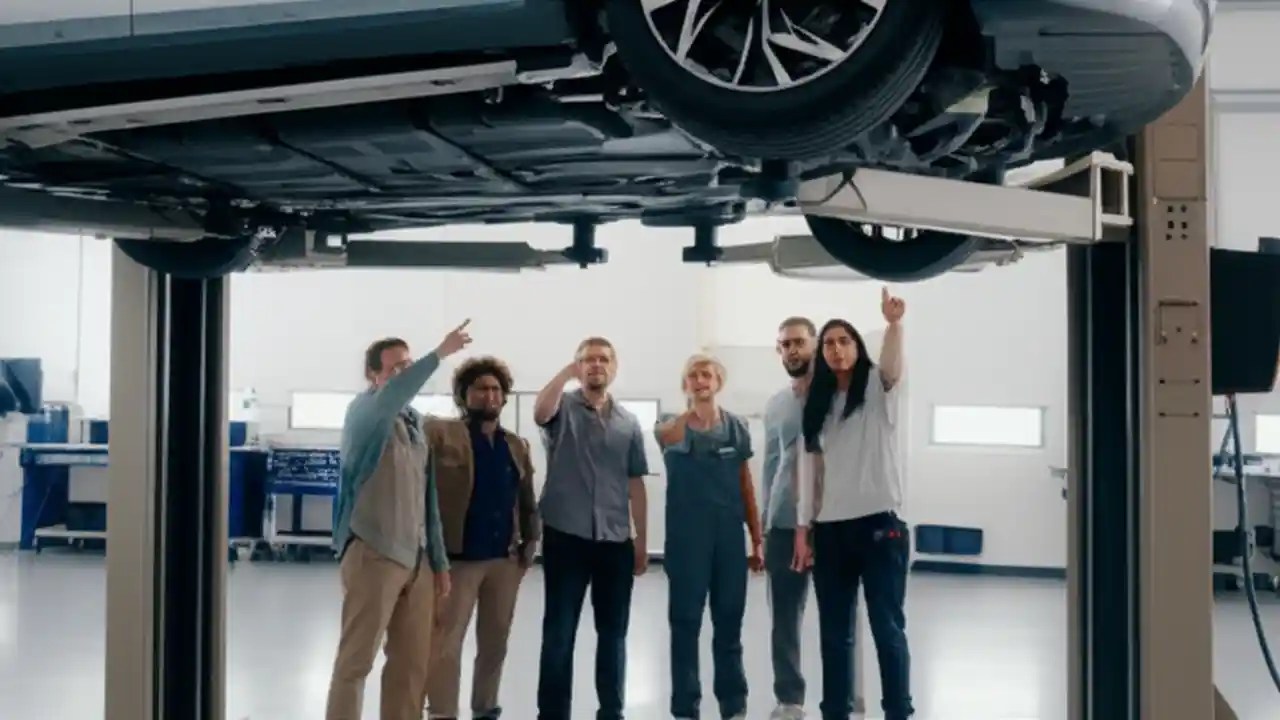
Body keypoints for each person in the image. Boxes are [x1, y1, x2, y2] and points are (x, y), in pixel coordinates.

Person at [324, 322, 472, 720]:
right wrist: (439, 353)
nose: (404, 374)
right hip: (374, 553)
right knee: (355, 662)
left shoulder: (415, 425)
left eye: (409, 365)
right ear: (375, 376)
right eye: (395, 368)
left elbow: (429, 500)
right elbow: (391, 398)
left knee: (410, 665)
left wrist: (438, 563)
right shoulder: (365, 414)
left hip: (417, 561)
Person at [792, 289, 912, 720]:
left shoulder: (880, 391)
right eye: (828, 344)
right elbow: (810, 474)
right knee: (834, 635)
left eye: (845, 341)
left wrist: (894, 325)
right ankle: (835, 713)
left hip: (882, 528)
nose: (836, 349)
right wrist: (804, 528)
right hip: (833, 531)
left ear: (858, 348)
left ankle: (898, 711)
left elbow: (894, 368)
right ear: (820, 354)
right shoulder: (818, 406)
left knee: (887, 629)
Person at [533, 336, 650, 720]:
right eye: (587, 360)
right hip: (566, 536)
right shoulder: (562, 408)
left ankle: (611, 710)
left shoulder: (628, 422)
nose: (596, 365)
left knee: (613, 634)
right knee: (559, 632)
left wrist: (641, 540)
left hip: (614, 541)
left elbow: (635, 483)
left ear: (614, 367)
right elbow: (538, 412)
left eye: (603, 359)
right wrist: (568, 372)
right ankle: (553, 713)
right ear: (578, 367)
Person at [425, 356, 540, 720]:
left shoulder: (515, 445)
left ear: (504, 397)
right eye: (480, 389)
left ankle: (486, 708)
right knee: (446, 642)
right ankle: (442, 712)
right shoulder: (443, 435)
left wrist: (530, 544)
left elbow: (526, 499)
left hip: (504, 560)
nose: (489, 396)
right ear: (464, 396)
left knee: (495, 644)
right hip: (458, 560)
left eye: (496, 389)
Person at [654, 353, 763, 720]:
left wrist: (757, 538)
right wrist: (695, 410)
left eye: (708, 375)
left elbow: (745, 484)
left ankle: (734, 706)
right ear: (685, 384)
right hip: (687, 541)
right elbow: (666, 437)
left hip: (729, 540)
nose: (701, 380)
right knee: (685, 623)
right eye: (693, 376)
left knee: (729, 623)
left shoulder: (736, 427)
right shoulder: (669, 423)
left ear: (719, 382)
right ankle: (686, 708)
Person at [761, 316, 819, 720]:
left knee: (841, 612)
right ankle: (790, 699)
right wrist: (765, 523)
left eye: (799, 341)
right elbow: (770, 465)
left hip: (831, 522)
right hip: (781, 524)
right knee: (784, 617)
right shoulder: (776, 404)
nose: (792, 349)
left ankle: (844, 697)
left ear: (814, 344)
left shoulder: (837, 395)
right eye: (785, 344)